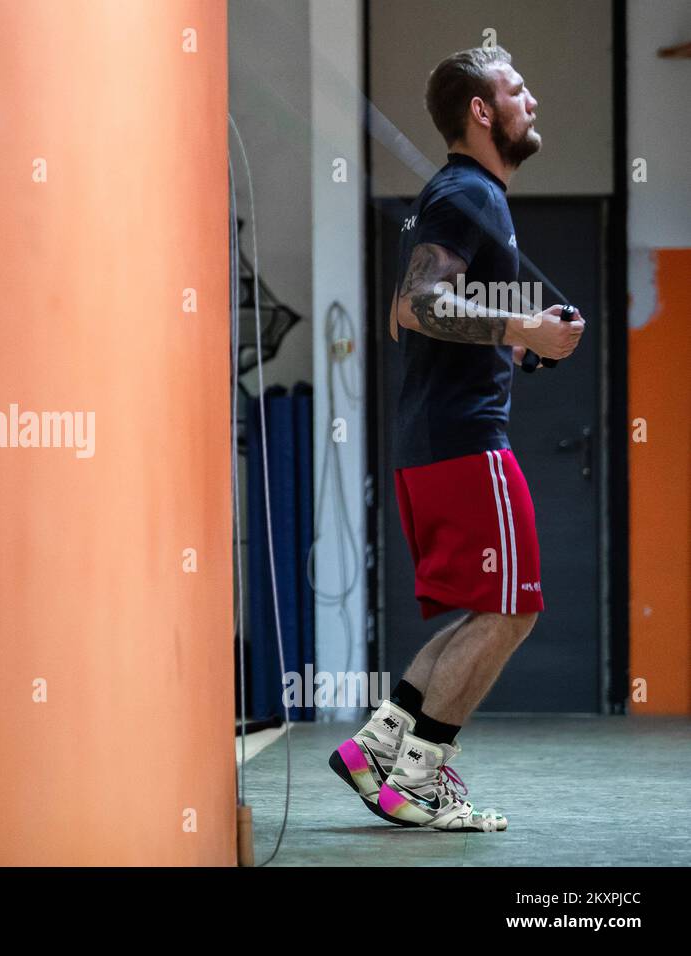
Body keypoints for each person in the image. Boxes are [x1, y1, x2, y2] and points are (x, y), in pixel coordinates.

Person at [329, 46, 584, 831]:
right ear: (481, 110)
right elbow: (415, 306)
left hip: (436, 440)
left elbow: (420, 316)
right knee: (512, 610)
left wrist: (517, 342)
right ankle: (418, 781)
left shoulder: (463, 196)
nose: (531, 101)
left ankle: (377, 746)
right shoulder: (468, 192)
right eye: (517, 89)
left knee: (490, 606)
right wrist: (520, 328)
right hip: (463, 441)